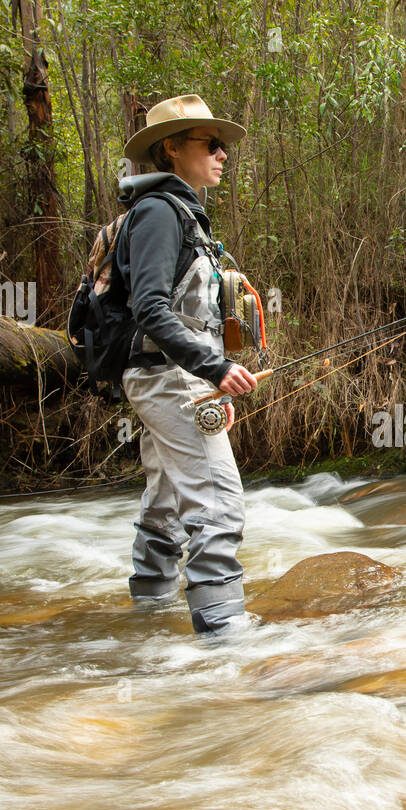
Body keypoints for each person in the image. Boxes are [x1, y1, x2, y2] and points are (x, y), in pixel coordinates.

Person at [115, 94, 258, 635]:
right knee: (219, 505)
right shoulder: (157, 213)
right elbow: (148, 307)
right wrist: (213, 369)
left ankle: (148, 622)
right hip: (170, 378)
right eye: (210, 144)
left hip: (167, 377)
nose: (223, 153)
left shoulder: (183, 214)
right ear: (172, 148)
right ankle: (226, 640)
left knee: (166, 503)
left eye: (222, 145)